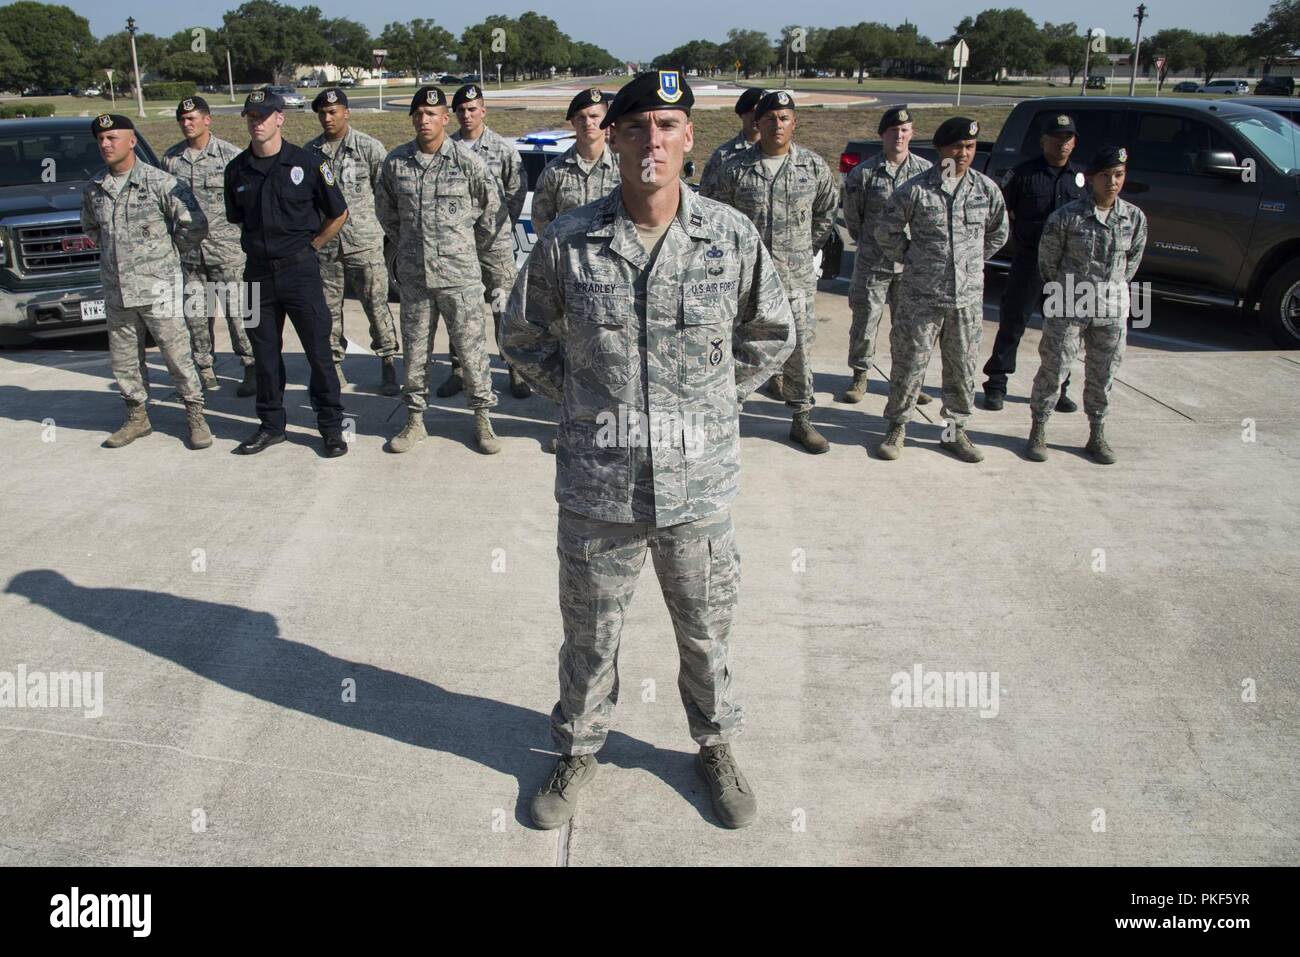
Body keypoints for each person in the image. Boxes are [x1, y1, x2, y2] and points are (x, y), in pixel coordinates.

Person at [501, 71, 794, 831]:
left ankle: (716, 744)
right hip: (600, 488)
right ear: (615, 138)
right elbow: (523, 336)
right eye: (636, 127)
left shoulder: (728, 236)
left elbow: (771, 331)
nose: (652, 141)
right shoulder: (570, 240)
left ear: (689, 137)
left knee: (705, 630)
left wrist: (712, 401)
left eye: (667, 125)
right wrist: (585, 402)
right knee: (590, 635)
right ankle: (576, 745)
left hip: (697, 489)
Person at [375, 85, 512, 455]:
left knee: (471, 352)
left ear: (444, 119)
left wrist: (471, 254)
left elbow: (490, 215)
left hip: (460, 277)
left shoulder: (468, 163)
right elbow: (387, 215)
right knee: (416, 354)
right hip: (416, 279)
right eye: (418, 114)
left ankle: (483, 420)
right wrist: (410, 245)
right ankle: (415, 420)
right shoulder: (396, 163)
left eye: (431, 114)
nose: (424, 120)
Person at [702, 89, 838, 453]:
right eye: (770, 118)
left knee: (799, 351)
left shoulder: (812, 166)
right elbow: (715, 219)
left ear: (794, 123)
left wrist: (805, 249)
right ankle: (729, 415)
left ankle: (801, 419)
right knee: (737, 347)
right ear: (757, 123)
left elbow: (826, 212)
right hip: (745, 282)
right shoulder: (734, 169)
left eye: (784, 118)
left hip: (795, 281)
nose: (777, 124)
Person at [223, 88, 350, 458]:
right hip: (256, 276)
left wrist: (311, 246)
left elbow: (338, 212)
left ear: (280, 117)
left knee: (318, 352)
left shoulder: (309, 163)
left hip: (301, 272)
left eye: (264, 116)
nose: (257, 123)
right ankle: (270, 426)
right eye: (251, 117)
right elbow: (237, 218)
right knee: (263, 355)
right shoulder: (236, 170)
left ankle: (329, 427)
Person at [874, 116, 1009, 463]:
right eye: (956, 147)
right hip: (921, 296)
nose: (963, 153)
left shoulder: (985, 189)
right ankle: (897, 427)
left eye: (969, 147)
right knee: (909, 364)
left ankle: (953, 432)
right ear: (940, 149)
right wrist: (913, 259)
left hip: (965, 300)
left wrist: (971, 260)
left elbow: (998, 231)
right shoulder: (915, 190)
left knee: (961, 370)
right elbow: (886, 231)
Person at [81, 113, 212, 450]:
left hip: (159, 290)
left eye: (113, 138)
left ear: (132, 141)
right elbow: (92, 231)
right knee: (125, 360)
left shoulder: (160, 183)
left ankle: (196, 416)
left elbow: (195, 224)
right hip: (117, 291)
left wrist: (166, 256)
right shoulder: (95, 188)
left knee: (177, 356)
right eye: (101, 140)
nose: (106, 145)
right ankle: (137, 417)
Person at [1026, 146, 1147, 464]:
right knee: (1053, 369)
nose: (1112, 183)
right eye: (1105, 176)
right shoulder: (1066, 217)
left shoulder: (1134, 218)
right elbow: (1048, 262)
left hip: (1111, 309)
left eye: (1118, 176)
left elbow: (1131, 262)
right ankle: (1039, 429)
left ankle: (1096, 433)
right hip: (1068, 304)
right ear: (1091, 179)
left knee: (1104, 374)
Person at [982, 114, 1087, 412]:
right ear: (1043, 141)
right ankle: (997, 384)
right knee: (1013, 324)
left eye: (1068, 138)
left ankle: (1058, 387)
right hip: (1030, 262)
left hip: (1067, 267)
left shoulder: (1080, 179)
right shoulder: (1023, 175)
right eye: (1056, 138)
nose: (1062, 144)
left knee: (1062, 331)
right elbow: (1000, 215)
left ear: (1074, 142)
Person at [306, 87, 400, 395]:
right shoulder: (310, 153)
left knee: (376, 305)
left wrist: (381, 232)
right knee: (328, 310)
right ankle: (333, 367)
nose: (327, 118)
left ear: (346, 112)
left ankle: (388, 362)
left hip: (364, 243)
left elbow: (387, 194)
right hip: (327, 248)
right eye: (322, 113)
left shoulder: (368, 148)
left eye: (333, 112)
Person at [162, 96, 256, 398]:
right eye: (182, 120)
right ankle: (205, 369)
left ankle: (252, 368)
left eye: (192, 118)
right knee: (196, 316)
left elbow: (248, 203)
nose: (187, 124)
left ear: (207, 119)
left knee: (241, 314)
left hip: (228, 251)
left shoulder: (231, 156)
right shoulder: (170, 160)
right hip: (190, 255)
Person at [839, 105, 933, 405]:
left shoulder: (925, 173)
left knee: (909, 329)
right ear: (883, 135)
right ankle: (860, 375)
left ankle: (907, 381)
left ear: (912, 134)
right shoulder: (863, 174)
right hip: (873, 262)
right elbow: (853, 219)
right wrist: (869, 243)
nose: (899, 136)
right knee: (865, 323)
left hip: (911, 265)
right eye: (893, 131)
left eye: (905, 130)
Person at [446, 82, 531, 400]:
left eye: (472, 109)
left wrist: (497, 225)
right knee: (459, 310)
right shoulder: (446, 148)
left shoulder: (502, 149)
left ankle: (514, 371)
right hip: (456, 247)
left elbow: (516, 191)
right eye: (461, 110)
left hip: (494, 247)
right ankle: (458, 370)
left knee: (502, 310)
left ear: (483, 110)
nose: (467, 115)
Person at [529, 88, 619, 240]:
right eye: (581, 117)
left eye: (594, 116)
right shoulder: (556, 170)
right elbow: (541, 221)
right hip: (570, 260)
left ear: (607, 120)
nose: (588, 122)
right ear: (573, 122)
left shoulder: (624, 166)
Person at [696, 87, 764, 195]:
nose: (756, 117)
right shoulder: (724, 156)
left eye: (761, 111)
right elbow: (706, 195)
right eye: (752, 111)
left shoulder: (781, 152)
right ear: (742, 114)